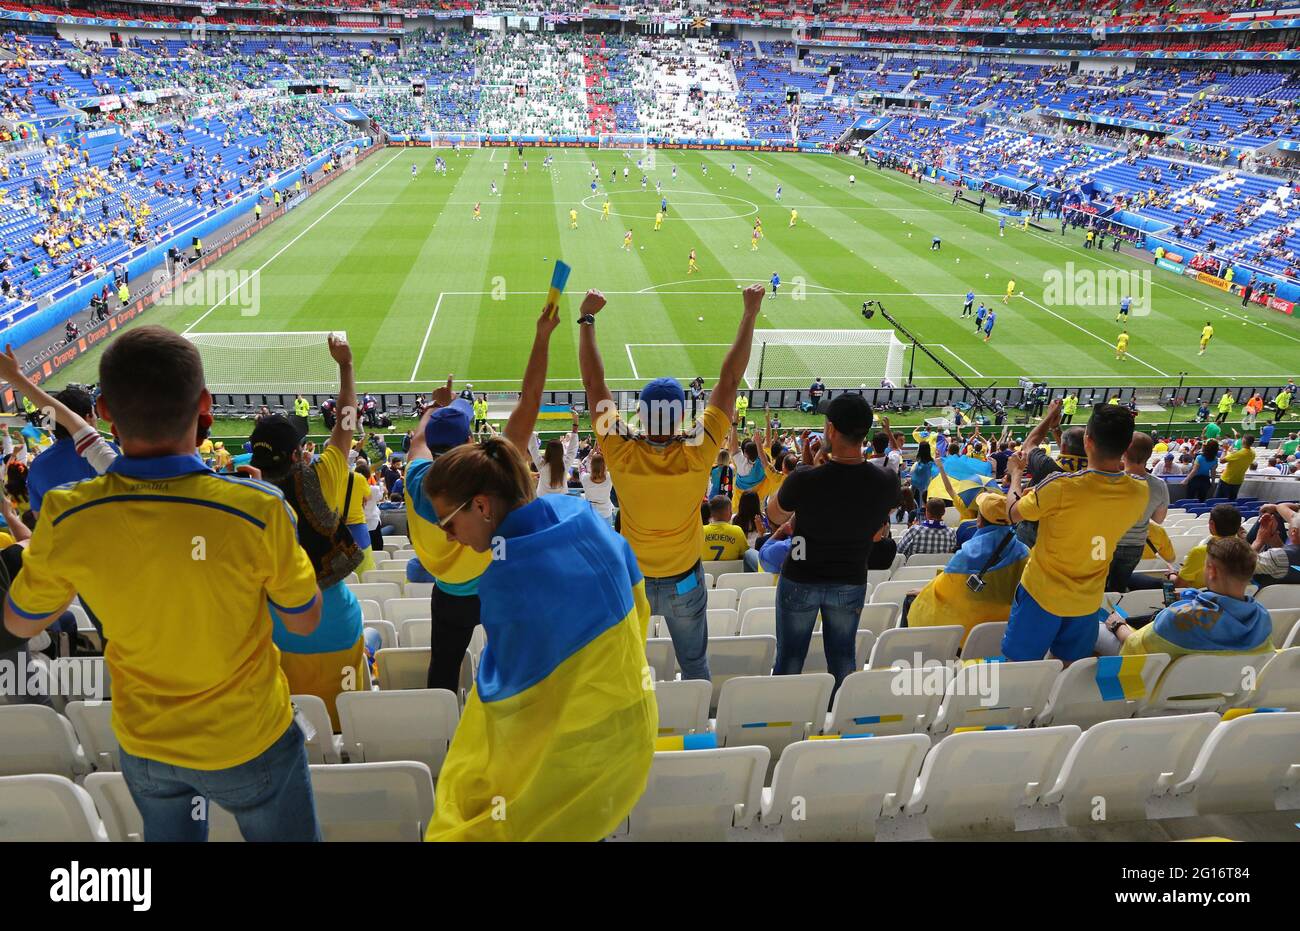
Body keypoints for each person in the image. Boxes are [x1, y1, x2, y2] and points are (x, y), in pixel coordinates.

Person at [4, 326, 323, 841]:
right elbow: (305, 622)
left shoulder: (68, 514)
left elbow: (20, 621)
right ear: (204, 404)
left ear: (105, 410)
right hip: (249, 739)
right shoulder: (259, 510)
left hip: (146, 744)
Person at [419, 432, 656, 841]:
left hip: (583, 751)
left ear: (481, 506)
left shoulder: (503, 581)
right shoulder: (577, 512)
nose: (448, 537)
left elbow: (514, 702)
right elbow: (639, 606)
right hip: (632, 730)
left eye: (448, 523)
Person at [579, 285, 762, 682]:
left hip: (634, 583)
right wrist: (750, 312)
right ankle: (699, 729)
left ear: (641, 416)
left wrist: (587, 320)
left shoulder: (620, 449)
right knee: (695, 665)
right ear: (682, 415)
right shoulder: (698, 448)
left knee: (625, 667)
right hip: (683, 583)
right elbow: (730, 381)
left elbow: (594, 385)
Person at [249, 337, 367, 730]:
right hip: (334, 619)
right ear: (299, 454)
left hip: (275, 627)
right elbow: (346, 422)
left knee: (297, 721)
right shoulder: (322, 475)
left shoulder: (238, 500)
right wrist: (346, 366)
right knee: (347, 719)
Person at [765, 394, 899, 690]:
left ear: (831, 431)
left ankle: (783, 723)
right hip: (850, 579)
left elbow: (774, 514)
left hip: (800, 577)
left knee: (789, 659)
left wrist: (806, 470)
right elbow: (879, 523)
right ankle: (840, 723)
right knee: (842, 658)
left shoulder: (805, 479)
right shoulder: (888, 480)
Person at [1000, 404, 1147, 663]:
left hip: (1042, 595)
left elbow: (1012, 512)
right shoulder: (1139, 491)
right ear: (1125, 449)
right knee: (1070, 665)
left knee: (1020, 665)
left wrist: (1016, 474)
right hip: (1088, 600)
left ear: (1089, 440)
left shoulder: (1061, 487)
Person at [1106, 537, 1272, 660]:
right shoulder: (1262, 619)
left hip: (1166, 691)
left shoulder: (1178, 617)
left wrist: (1117, 624)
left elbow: (1134, 645)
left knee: (1099, 628)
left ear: (1212, 571)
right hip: (1228, 692)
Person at [907, 492, 1030, 645]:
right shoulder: (1024, 552)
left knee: (912, 601)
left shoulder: (968, 553)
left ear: (979, 521)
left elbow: (945, 589)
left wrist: (924, 591)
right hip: (1005, 627)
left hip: (968, 628)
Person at [1105, 431, 1167, 593]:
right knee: (1117, 588)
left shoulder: (1109, 480)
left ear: (1123, 452)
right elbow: (1159, 519)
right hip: (1135, 546)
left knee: (1098, 583)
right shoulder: (1159, 485)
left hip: (1106, 543)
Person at [1250, 501, 1300, 587]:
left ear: (1294, 531)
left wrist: (1258, 541)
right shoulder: (1279, 557)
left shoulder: (1275, 557)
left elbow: (1238, 566)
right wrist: (1275, 542)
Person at [702, 495, 759, 571]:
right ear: (729, 512)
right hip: (730, 578)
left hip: (707, 577)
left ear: (711, 513)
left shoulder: (701, 531)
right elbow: (745, 554)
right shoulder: (737, 531)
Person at [579, 451, 614, 523]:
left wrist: (588, 457)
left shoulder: (585, 478)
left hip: (590, 513)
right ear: (604, 465)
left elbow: (581, 466)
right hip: (606, 512)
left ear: (591, 465)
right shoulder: (610, 477)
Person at [1217, 434, 1254, 500]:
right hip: (1238, 481)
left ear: (1244, 441)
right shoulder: (1253, 453)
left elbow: (1221, 461)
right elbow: (1239, 458)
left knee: (1219, 500)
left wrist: (1225, 450)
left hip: (1227, 480)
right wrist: (1231, 452)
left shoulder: (1237, 454)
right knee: (1232, 501)